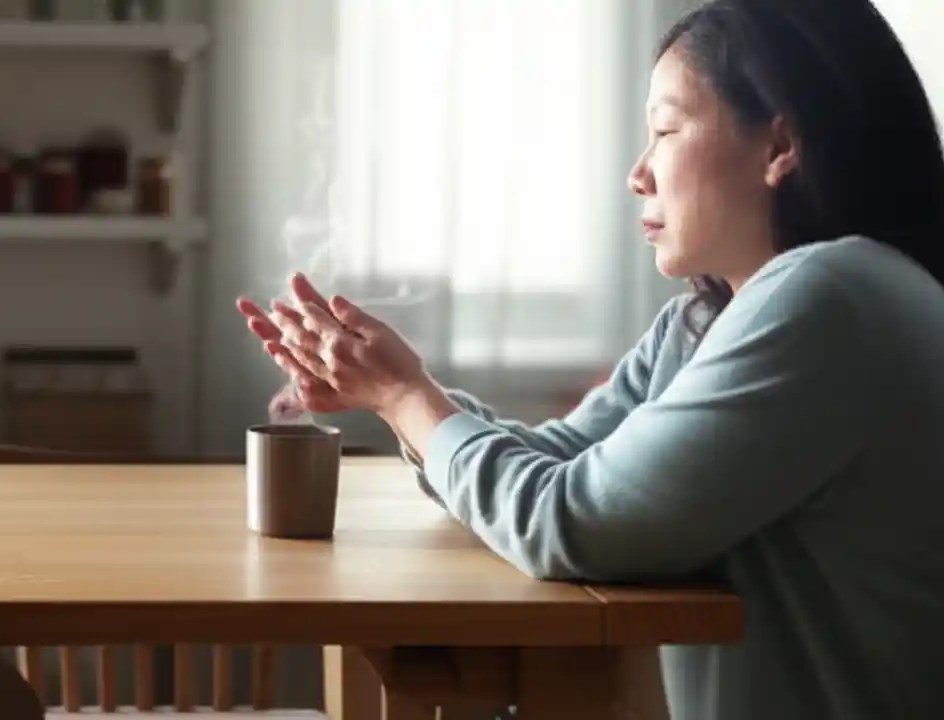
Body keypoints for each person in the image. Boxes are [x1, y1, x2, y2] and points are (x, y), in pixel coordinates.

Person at [236, 0, 944, 717]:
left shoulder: (832, 300)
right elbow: (557, 463)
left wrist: (407, 399)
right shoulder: (712, 320)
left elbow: (568, 523)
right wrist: (394, 391)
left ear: (778, 146)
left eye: (666, 129)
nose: (638, 173)